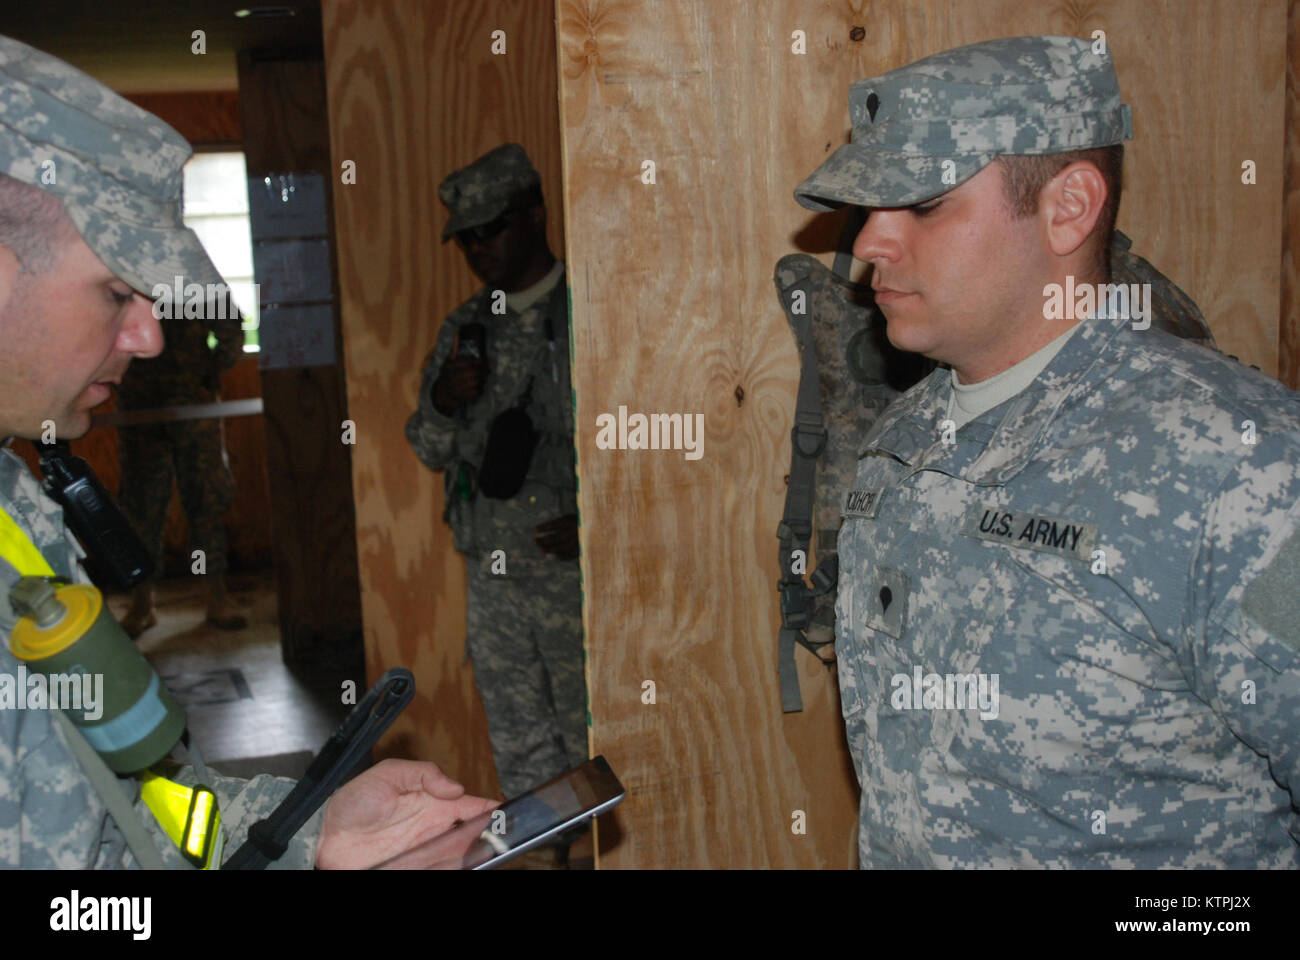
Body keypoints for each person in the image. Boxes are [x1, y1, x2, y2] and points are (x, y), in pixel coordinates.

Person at [792, 35, 1300, 867]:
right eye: (870, 210)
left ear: (1068, 206)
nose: (869, 244)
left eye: (922, 203)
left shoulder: (1246, 469)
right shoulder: (900, 445)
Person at [0, 34, 495, 868]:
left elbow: (125, 806)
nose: (149, 335)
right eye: (118, 291)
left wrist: (305, 836)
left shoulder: (17, 510)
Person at [406, 145, 587, 861]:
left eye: (494, 228)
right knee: (519, 737)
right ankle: (548, 857)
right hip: (495, 573)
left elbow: (640, 449)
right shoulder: (465, 327)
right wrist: (447, 403)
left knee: (591, 735)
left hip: (573, 575)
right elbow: (427, 445)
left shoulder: (590, 311)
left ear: (535, 215)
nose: (480, 249)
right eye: (468, 238)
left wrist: (600, 527)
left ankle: (607, 854)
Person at [116, 283, 248, 637]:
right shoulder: (123, 273)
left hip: (194, 408)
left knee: (205, 502)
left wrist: (209, 372)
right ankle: (142, 603)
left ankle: (216, 596)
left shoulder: (193, 276)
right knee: (142, 507)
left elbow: (232, 329)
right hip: (141, 411)